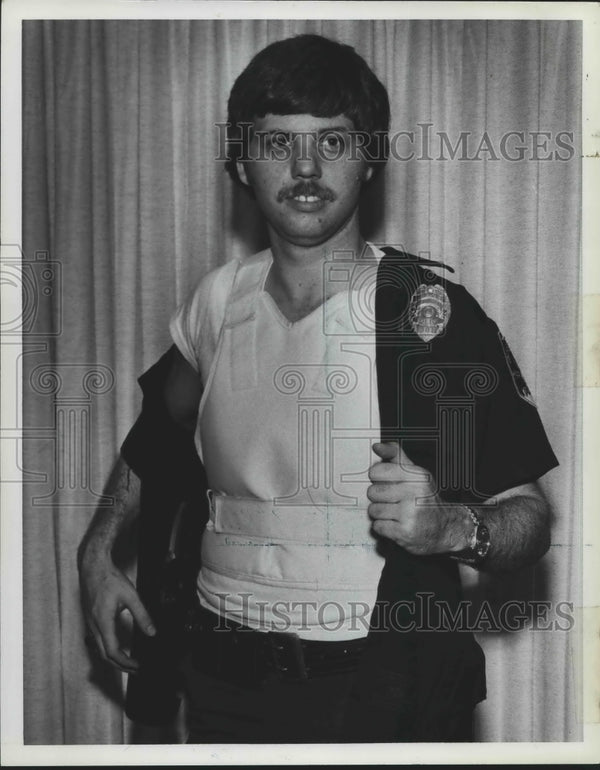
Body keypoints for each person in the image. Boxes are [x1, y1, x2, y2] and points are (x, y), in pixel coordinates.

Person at [78, 33, 559, 743]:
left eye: (332, 143)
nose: (305, 167)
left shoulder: (422, 316)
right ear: (241, 161)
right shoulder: (217, 303)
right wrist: (95, 551)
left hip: (374, 688)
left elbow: (530, 519)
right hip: (217, 678)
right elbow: (157, 438)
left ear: (370, 159)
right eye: (278, 144)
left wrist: (454, 527)